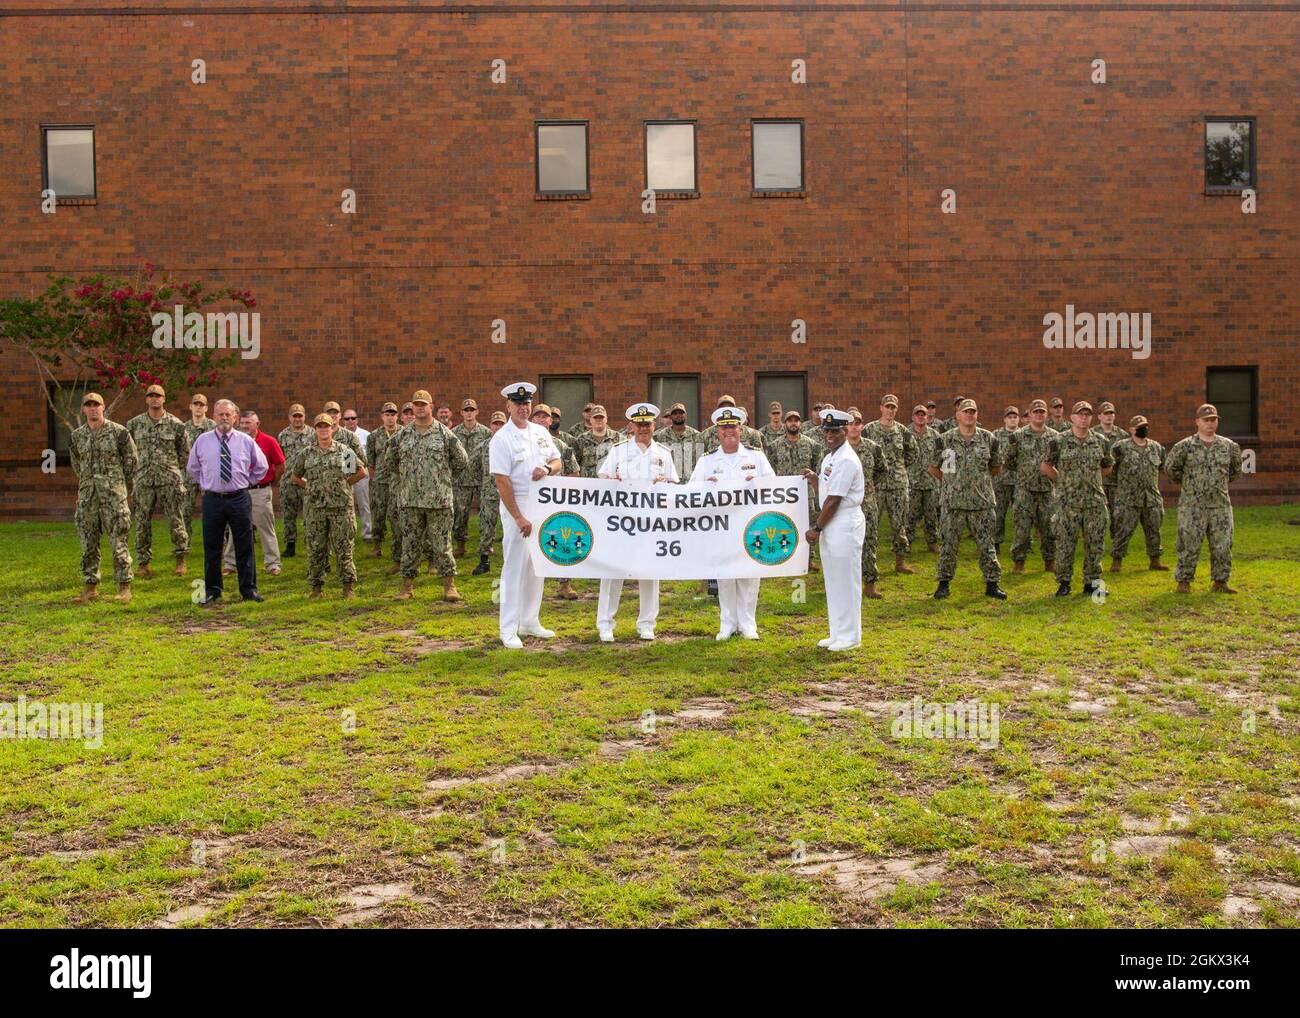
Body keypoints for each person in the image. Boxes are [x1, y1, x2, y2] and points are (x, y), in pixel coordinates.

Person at [595, 403, 680, 641]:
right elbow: (601, 479)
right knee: (612, 572)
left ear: (654, 425)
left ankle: (646, 624)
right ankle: (605, 624)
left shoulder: (664, 453)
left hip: (651, 523)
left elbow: (674, 484)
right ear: (631, 426)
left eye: (647, 424)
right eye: (639, 424)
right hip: (621, 522)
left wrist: (667, 482)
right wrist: (611, 479)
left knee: (650, 572)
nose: (643, 428)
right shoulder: (618, 451)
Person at [689, 406, 775, 640]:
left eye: (733, 427)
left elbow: (774, 485)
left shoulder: (756, 456)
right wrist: (706, 484)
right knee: (724, 574)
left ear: (740, 429)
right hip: (720, 526)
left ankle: (748, 624)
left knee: (749, 574)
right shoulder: (707, 461)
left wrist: (757, 482)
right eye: (724, 427)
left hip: (750, 525)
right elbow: (691, 491)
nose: (729, 431)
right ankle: (727, 623)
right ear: (717, 431)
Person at [490, 382, 562, 649]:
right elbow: (501, 481)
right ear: (508, 406)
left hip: (541, 505)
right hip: (516, 505)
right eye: (518, 404)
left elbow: (557, 461)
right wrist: (519, 517)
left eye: (526, 404)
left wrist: (546, 468)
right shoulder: (502, 438)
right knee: (514, 567)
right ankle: (508, 628)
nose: (523, 408)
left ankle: (530, 620)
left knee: (537, 565)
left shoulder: (540, 432)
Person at [385, 390, 467, 602]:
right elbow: (391, 462)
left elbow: (461, 461)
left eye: (424, 404)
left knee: (442, 545)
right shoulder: (401, 436)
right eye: (416, 404)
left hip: (438, 500)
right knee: (410, 545)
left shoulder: (444, 434)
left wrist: (442, 479)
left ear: (431, 406)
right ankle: (407, 587)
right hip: (410, 500)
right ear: (412, 407)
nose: (420, 408)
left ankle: (449, 585)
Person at [187, 398, 268, 605]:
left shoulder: (245, 441)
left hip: (239, 498)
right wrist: (207, 482)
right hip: (213, 499)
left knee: (245, 544)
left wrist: (246, 482)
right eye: (220, 414)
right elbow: (193, 468)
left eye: (228, 414)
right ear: (213, 417)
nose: (224, 417)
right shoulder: (202, 441)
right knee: (212, 545)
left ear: (235, 418)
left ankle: (248, 589)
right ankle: (213, 590)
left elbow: (262, 467)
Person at [929, 399, 1007, 600]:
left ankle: (992, 584)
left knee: (987, 545)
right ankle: (943, 584)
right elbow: (933, 467)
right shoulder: (944, 440)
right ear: (958, 415)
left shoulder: (989, 439)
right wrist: (951, 483)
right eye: (965, 412)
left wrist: (976, 483)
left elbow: (996, 467)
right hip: (952, 503)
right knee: (948, 545)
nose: (969, 415)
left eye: (973, 411)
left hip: (981, 503)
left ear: (977, 415)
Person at [1164, 403, 1243, 594]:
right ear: (1197, 422)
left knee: (1223, 544)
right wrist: (1191, 485)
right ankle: (1184, 582)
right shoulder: (1184, 446)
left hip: (1220, 505)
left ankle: (1220, 582)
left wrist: (1216, 485)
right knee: (1188, 543)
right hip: (1192, 505)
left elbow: (1235, 472)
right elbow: (1171, 469)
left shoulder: (1229, 447)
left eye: (1213, 419)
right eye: (1206, 420)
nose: (1210, 423)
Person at [804, 409, 864, 651]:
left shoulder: (847, 459)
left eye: (835, 431)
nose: (830, 435)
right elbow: (827, 490)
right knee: (833, 579)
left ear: (845, 431)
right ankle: (837, 632)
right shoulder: (830, 457)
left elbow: (834, 500)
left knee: (847, 581)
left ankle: (850, 636)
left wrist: (816, 528)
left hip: (843, 521)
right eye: (826, 431)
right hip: (832, 523)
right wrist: (813, 479)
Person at [70, 391, 138, 603]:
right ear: (83, 409)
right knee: (88, 542)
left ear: (103, 407)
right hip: (88, 497)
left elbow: (132, 462)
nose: (93, 408)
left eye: (96, 404)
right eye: (88, 405)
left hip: (113, 497)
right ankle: (90, 587)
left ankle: (124, 587)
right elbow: (77, 464)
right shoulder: (77, 436)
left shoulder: (119, 433)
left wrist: (115, 484)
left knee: (119, 541)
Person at [288, 414, 367, 598]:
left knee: (344, 548)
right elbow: (295, 476)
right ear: (315, 429)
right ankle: (316, 588)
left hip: (341, 508)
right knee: (316, 548)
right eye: (320, 426)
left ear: (333, 428)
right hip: (315, 509)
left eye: (327, 426)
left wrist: (346, 484)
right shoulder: (307, 453)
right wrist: (311, 487)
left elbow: (360, 472)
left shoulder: (344, 451)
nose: (324, 429)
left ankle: (348, 588)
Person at [1041, 401, 1113, 597]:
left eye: (1087, 414)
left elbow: (1107, 466)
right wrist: (1062, 482)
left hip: (1094, 502)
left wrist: (1092, 480)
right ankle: (1064, 582)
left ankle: (1093, 584)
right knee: (1065, 543)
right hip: (1068, 503)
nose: (1084, 417)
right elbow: (1046, 465)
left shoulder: (1101, 441)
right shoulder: (1058, 441)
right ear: (1071, 417)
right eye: (1080, 414)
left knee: (1095, 544)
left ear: (1091, 418)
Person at [126, 383, 191, 579]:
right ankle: (144, 563)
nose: (155, 398)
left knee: (175, 519)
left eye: (158, 395)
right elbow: (129, 452)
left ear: (164, 399)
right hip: (143, 480)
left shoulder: (177, 424)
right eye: (151, 395)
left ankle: (181, 560)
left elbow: (185, 453)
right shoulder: (134, 424)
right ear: (146, 399)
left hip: (169, 480)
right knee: (142, 522)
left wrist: (169, 469)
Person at [221, 410, 285, 576]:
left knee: (266, 528)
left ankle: (272, 564)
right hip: (238, 491)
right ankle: (230, 563)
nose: (244, 426)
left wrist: (271, 481)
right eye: (242, 423)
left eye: (248, 423)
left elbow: (280, 464)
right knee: (235, 528)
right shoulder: (233, 441)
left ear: (257, 424)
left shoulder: (269, 441)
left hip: (260, 491)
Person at [863, 394, 917, 574]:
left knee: (899, 525)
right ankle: (868, 563)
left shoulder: (903, 431)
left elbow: (912, 454)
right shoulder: (869, 429)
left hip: (898, 485)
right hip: (875, 486)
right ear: (881, 407)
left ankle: (900, 562)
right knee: (871, 526)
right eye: (887, 406)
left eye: (893, 407)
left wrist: (898, 468)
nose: (890, 410)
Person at [532, 404, 580, 600]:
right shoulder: (524, 443)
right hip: (531, 503)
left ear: (551, 421)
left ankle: (564, 584)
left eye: (546, 417)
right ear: (532, 420)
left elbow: (574, 472)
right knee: (532, 543)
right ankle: (532, 586)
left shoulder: (561, 446)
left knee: (561, 540)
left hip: (555, 502)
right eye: (538, 416)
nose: (542, 420)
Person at [1109, 414, 1168, 573]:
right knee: (1123, 530)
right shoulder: (1120, 447)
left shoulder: (1156, 447)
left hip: (1151, 498)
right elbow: (1110, 469)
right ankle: (1117, 561)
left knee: (1154, 530)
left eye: (1145, 426)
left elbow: (1163, 468)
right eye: (1140, 427)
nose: (1144, 429)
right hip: (1128, 498)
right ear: (1131, 429)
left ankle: (1155, 560)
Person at [1006, 399, 1058, 574]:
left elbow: (1058, 461)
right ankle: (1019, 563)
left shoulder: (1055, 437)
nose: (1039, 414)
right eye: (1035, 412)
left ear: (1046, 414)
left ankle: (1050, 562)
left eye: (1042, 412)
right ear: (1029, 415)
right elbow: (1009, 461)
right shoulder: (1018, 436)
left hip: (1047, 490)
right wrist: (1025, 473)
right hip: (1024, 490)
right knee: (1022, 528)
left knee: (1049, 528)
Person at [844, 409, 887, 598]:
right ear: (846, 425)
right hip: (844, 506)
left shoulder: (873, 448)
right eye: (851, 422)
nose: (854, 426)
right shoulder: (838, 448)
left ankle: (870, 584)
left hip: (867, 504)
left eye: (858, 422)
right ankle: (844, 585)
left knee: (869, 543)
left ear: (862, 425)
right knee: (844, 545)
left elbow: (882, 470)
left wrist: (867, 487)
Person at [451, 399, 491, 558]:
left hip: (481, 480)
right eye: (466, 410)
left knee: (486, 514)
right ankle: (461, 546)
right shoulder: (454, 433)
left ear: (477, 412)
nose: (469, 413)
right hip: (461, 481)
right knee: (460, 514)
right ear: (461, 413)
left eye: (471, 410)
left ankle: (486, 545)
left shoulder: (485, 432)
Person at [471, 411, 508, 575]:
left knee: (511, 529)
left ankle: (512, 561)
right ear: (490, 426)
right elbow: (473, 468)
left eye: (501, 424)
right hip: (489, 494)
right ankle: (484, 560)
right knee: (487, 528)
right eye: (495, 423)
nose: (498, 427)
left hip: (509, 493)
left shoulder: (512, 445)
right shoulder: (483, 446)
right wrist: (485, 483)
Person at [366, 402, 402, 559]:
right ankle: (377, 545)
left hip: (398, 481)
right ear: (382, 416)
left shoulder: (404, 433)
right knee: (378, 515)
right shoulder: (373, 436)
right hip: (380, 482)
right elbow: (371, 461)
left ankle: (398, 547)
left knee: (397, 516)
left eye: (393, 414)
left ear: (397, 416)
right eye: (387, 415)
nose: (390, 418)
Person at [277, 404, 312, 558]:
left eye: (300, 415)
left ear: (304, 416)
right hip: (288, 482)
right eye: (294, 416)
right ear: (289, 417)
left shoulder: (312, 433)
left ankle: (311, 544)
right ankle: (290, 545)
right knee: (288, 515)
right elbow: (280, 458)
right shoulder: (283, 435)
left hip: (307, 480)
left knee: (310, 514)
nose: (297, 419)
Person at [906, 403, 941, 553]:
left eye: (923, 415)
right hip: (912, 482)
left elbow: (945, 456)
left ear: (927, 417)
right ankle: (907, 542)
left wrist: (945, 476)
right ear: (913, 417)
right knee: (910, 515)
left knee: (931, 515)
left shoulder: (935, 435)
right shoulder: (905, 434)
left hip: (930, 482)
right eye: (918, 415)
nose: (921, 417)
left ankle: (932, 543)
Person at [183, 394, 215, 545]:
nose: (198, 407)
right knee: (185, 511)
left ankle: (213, 542)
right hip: (188, 476)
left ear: (206, 408)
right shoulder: (183, 428)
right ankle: (184, 544)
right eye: (196, 404)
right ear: (190, 406)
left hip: (208, 476)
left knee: (211, 511)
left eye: (201, 405)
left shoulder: (213, 427)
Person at [1090, 401, 1123, 543]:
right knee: (1098, 515)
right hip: (1099, 482)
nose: (1109, 416)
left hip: (1116, 482)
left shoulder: (1122, 435)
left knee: (1117, 515)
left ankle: (1116, 544)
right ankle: (1097, 542)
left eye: (1111, 413)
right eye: (1106, 413)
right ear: (1099, 416)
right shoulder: (1092, 434)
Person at [991, 406, 1020, 551]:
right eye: (1010, 417)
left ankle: (1023, 543)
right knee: (999, 514)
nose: (1012, 419)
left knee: (1021, 514)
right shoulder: (995, 435)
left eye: (1015, 416)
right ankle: (996, 542)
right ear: (1004, 419)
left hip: (1020, 481)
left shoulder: (1023, 434)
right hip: (1001, 481)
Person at [342, 408, 372, 539]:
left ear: (357, 420)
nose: (350, 421)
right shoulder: (338, 434)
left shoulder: (366, 435)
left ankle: (367, 533)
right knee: (344, 505)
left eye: (352, 418)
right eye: (347, 418)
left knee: (363, 504)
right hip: (344, 474)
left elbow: (370, 455)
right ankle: (346, 533)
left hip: (360, 474)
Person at [654, 402, 702, 482]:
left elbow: (701, 460)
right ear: (671, 416)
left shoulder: (696, 435)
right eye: (675, 413)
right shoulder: (660, 436)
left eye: (681, 413)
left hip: (690, 484)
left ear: (685, 415)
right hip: (669, 484)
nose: (678, 415)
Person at [574, 405, 622, 476]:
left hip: (611, 484)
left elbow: (626, 462)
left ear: (606, 419)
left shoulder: (618, 438)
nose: (598, 420)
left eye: (601, 417)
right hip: (587, 485)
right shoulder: (581, 440)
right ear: (591, 420)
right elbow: (574, 466)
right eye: (595, 417)